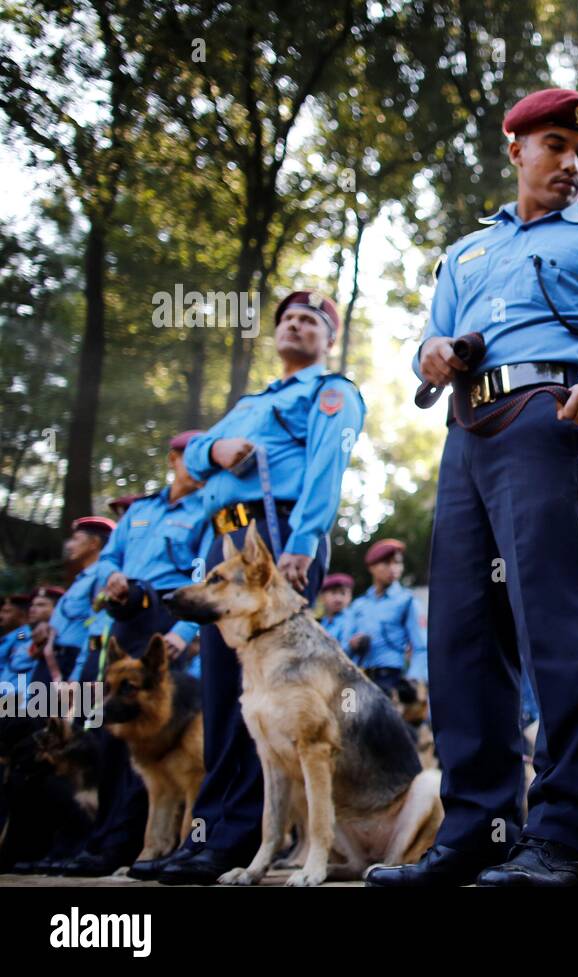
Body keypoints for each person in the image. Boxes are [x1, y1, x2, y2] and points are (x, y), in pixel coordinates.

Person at [367, 87, 578, 889]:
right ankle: (478, 832)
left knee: (557, 625)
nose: (570, 164)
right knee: (461, 635)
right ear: (517, 151)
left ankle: (568, 838)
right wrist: (431, 356)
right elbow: (426, 344)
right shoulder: (464, 253)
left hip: (549, 418)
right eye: (554, 147)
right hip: (465, 432)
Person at [157, 289, 365, 885]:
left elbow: (327, 465)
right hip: (222, 544)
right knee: (227, 697)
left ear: (327, 339)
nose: (297, 325)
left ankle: (239, 839)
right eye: (289, 318)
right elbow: (193, 458)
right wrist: (215, 447)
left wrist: (301, 546)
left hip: (275, 547)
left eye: (311, 321)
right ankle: (213, 834)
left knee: (274, 698)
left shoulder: (331, 392)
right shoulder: (252, 402)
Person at [52, 431, 210, 879]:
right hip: (125, 616)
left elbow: (203, 578)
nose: (200, 466)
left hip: (165, 620)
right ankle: (101, 840)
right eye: (190, 458)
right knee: (107, 733)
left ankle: (133, 845)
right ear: (174, 458)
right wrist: (115, 574)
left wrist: (183, 630)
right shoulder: (141, 511)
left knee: (152, 741)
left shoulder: (205, 511)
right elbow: (110, 557)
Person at [32, 519, 114, 686]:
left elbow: (98, 629)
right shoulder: (81, 579)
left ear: (94, 543)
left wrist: (78, 675)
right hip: (51, 660)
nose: (69, 545)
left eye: (76, 539)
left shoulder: (102, 577)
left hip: (70, 663)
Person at [346, 540, 424, 695]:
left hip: (391, 679)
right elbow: (344, 647)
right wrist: (352, 644)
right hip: (359, 677)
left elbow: (421, 647)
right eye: (387, 563)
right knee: (348, 713)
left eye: (397, 563)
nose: (393, 568)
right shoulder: (359, 605)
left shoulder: (407, 602)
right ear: (371, 567)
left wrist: (413, 679)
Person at [318, 572, 356, 646]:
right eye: (333, 593)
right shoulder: (322, 622)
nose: (338, 599)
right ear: (322, 597)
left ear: (350, 597)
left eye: (343, 593)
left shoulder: (352, 620)